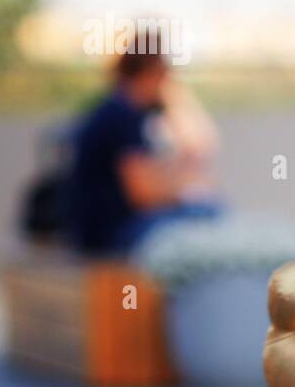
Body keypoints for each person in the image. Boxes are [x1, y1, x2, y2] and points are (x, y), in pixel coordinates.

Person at [67, 28, 225, 257]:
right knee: (205, 213)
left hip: (113, 227)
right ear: (152, 72)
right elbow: (143, 194)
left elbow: (200, 143)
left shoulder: (126, 111)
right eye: (165, 75)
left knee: (205, 210)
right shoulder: (120, 114)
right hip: (109, 233)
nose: (168, 84)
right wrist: (185, 188)